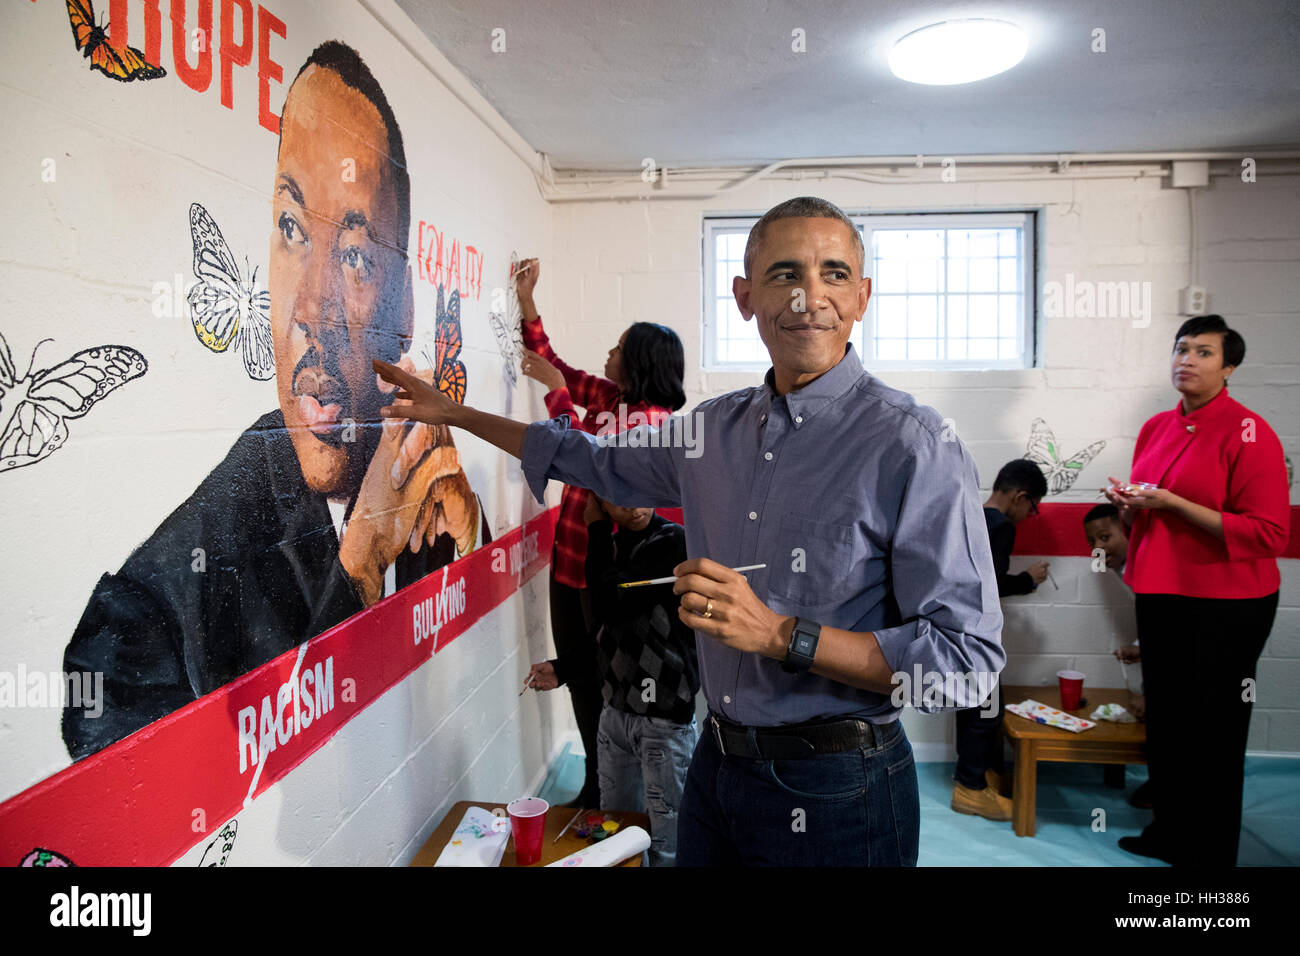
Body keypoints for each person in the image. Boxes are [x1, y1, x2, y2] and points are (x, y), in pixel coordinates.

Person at [375, 196, 1005, 866]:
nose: (808, 297)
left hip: (841, 788)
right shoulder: (715, 431)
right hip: (716, 765)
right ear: (745, 297)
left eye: (835, 274)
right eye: (786, 274)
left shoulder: (913, 444)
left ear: (863, 297)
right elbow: (592, 458)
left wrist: (781, 635)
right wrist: (456, 413)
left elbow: (967, 662)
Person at [61, 41, 489, 759]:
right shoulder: (149, 617)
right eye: (292, 230)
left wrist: (470, 544)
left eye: (354, 255)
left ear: (405, 301)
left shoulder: (417, 462)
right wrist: (353, 572)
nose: (310, 310)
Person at [1103, 314, 1289, 865]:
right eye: (1182, 348)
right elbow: (1153, 516)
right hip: (1163, 591)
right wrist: (1130, 508)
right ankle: (1170, 832)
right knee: (1169, 721)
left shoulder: (1250, 432)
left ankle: (1208, 854)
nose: (1187, 359)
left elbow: (1271, 533)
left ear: (1229, 367)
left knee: (1215, 731)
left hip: (1228, 605)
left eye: (1204, 352)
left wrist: (1175, 505)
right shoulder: (1157, 426)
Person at [513, 257, 686, 807]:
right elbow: (555, 366)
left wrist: (558, 394)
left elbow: (583, 458)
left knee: (600, 685)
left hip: (600, 574)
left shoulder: (649, 423)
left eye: (616, 347)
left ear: (635, 365)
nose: (608, 353)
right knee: (582, 677)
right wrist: (526, 303)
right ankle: (598, 786)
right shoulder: (615, 401)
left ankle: (609, 795)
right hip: (569, 564)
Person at [526, 494, 699, 866]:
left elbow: (611, 601)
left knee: (667, 839)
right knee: (615, 835)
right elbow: (604, 629)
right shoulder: (612, 549)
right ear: (601, 502)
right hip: (616, 714)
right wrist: (565, 669)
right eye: (620, 501)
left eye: (641, 495)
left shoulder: (672, 542)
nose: (635, 508)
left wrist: (597, 527)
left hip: (663, 718)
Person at [951, 459, 1048, 821]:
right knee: (986, 712)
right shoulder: (1002, 526)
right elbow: (991, 585)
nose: (1029, 515)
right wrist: (1028, 579)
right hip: (978, 632)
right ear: (1021, 497)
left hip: (956, 631)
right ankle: (970, 788)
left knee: (972, 706)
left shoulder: (970, 517)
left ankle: (980, 775)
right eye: (1032, 507)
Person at [1083, 503, 1151, 809]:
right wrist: (1140, 646)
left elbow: (1176, 628)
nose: (1098, 547)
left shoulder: (1150, 565)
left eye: (1105, 537)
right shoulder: (1127, 569)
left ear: (1127, 530)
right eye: (1092, 542)